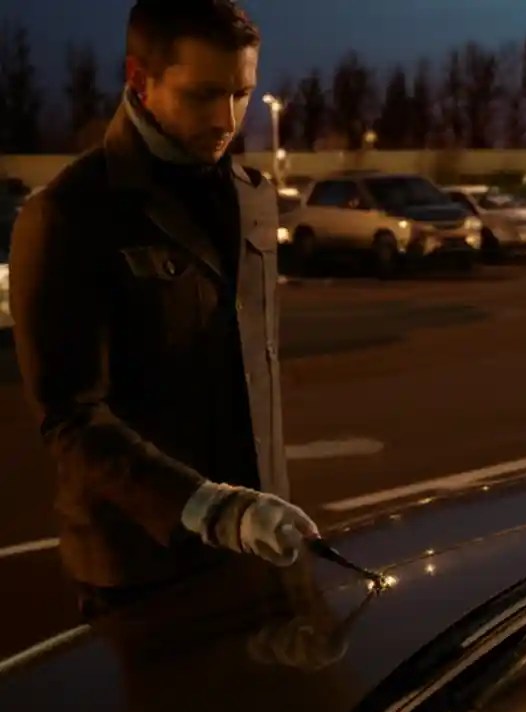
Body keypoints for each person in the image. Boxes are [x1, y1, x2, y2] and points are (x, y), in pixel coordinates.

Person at [8, 0, 319, 620]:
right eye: (204, 95)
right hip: (144, 565)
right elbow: (69, 415)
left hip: (260, 548)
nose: (227, 119)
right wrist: (207, 508)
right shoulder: (70, 213)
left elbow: (253, 373)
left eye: (243, 94)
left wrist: (265, 511)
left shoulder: (251, 198)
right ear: (138, 79)